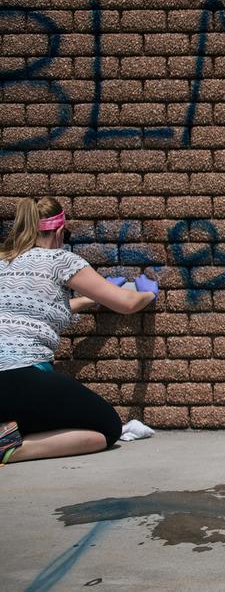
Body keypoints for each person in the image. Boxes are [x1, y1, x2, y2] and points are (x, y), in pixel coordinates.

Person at [0, 197, 158, 465]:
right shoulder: (61, 259)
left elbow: (33, 309)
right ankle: (9, 447)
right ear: (60, 231)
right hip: (21, 376)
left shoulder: (3, 262)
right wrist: (148, 294)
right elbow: (127, 303)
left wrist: (87, 299)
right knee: (107, 428)